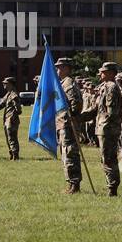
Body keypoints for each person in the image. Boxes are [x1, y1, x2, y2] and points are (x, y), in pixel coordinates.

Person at [55, 56, 84, 193]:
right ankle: (70, 183)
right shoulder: (62, 83)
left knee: (70, 153)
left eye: (60, 67)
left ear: (67, 68)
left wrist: (71, 115)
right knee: (65, 154)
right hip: (62, 123)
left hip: (68, 124)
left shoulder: (69, 83)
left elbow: (76, 104)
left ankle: (74, 184)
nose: (57, 70)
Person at [95, 62, 122, 195]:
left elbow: (111, 112)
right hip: (104, 128)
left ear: (111, 73)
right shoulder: (104, 87)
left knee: (109, 158)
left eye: (103, 71)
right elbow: (98, 109)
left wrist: (104, 126)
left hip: (108, 129)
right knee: (105, 158)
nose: (100, 74)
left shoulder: (111, 87)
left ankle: (112, 188)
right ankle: (111, 184)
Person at [1, 77, 21, 160]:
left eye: (5, 83)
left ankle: (15, 156)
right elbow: (1, 105)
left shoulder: (13, 94)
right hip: (7, 119)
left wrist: (14, 114)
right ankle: (12, 155)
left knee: (12, 138)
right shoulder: (8, 94)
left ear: (10, 84)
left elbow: (18, 110)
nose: (4, 84)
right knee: (8, 138)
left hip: (11, 120)